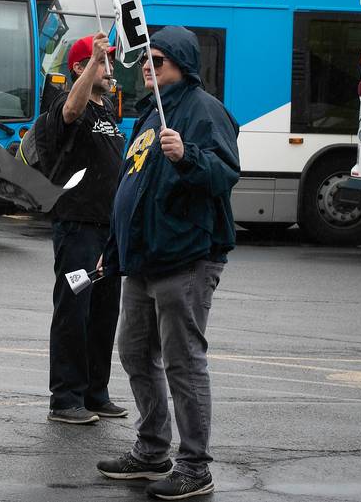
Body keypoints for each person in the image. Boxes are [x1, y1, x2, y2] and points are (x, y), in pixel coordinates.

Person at [96, 26, 240, 500]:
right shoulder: (146, 117)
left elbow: (224, 173)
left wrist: (188, 156)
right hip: (143, 260)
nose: (146, 68)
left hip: (185, 258)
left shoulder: (205, 111)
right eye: (144, 61)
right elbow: (132, 188)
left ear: (180, 64)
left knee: (183, 362)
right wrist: (114, 251)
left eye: (155, 61)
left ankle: (195, 465)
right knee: (136, 352)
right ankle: (151, 448)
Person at [45, 33, 127, 425]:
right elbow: (71, 111)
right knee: (73, 311)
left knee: (104, 313)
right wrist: (93, 58)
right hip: (78, 229)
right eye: (102, 63)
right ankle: (65, 399)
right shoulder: (70, 104)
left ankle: (95, 392)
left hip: (109, 233)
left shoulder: (108, 108)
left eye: (110, 62)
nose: (110, 69)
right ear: (80, 68)